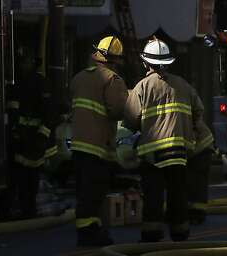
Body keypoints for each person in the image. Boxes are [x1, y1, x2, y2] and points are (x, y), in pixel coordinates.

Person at [124, 37, 205, 244]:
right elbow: (199, 110)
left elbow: (130, 120)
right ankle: (180, 233)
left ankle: (151, 235)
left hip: (153, 154)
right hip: (179, 151)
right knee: (178, 193)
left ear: (146, 63)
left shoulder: (142, 87)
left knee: (153, 195)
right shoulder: (183, 85)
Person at [69, 35, 129, 247]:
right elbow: (118, 110)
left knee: (83, 191)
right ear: (116, 60)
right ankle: (91, 234)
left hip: (78, 145)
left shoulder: (78, 78)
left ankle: (87, 232)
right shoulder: (112, 80)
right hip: (98, 147)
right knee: (95, 193)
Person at [0, 49, 52, 223]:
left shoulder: (40, 83)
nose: (23, 65)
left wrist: (42, 135)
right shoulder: (18, 83)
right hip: (20, 139)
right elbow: (13, 110)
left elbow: (48, 113)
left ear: (33, 63)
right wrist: (15, 132)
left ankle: (27, 211)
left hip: (34, 140)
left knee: (30, 179)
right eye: (22, 61)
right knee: (13, 178)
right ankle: (8, 211)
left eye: (26, 61)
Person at [186, 84, 216, 225]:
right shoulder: (183, 86)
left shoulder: (145, 88)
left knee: (196, 182)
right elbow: (199, 109)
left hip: (199, 145)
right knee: (196, 182)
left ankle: (196, 213)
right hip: (202, 143)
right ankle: (194, 213)